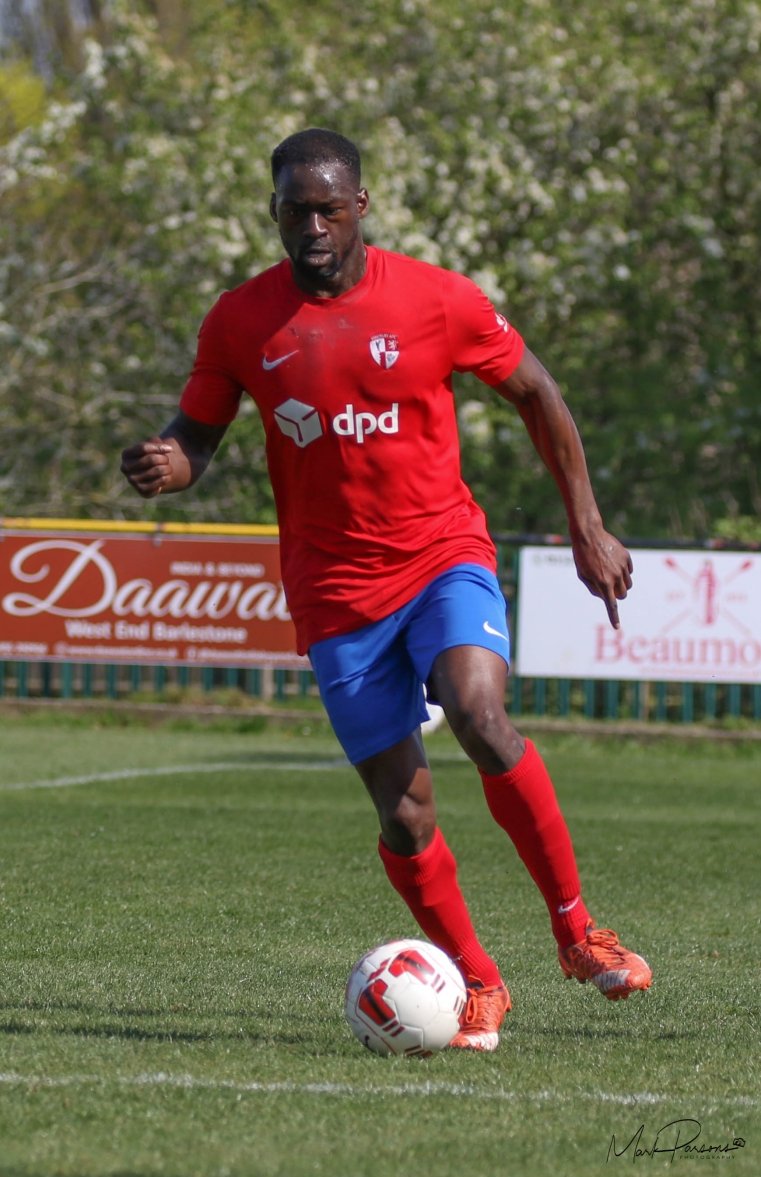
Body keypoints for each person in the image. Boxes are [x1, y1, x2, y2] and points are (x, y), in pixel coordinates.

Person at [121, 128, 652, 1052]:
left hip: (442, 553)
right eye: (295, 211)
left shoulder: (436, 299)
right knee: (404, 815)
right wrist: (172, 462)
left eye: (328, 209)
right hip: (333, 588)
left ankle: (577, 933)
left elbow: (537, 394)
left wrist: (586, 524)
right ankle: (476, 981)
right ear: (274, 212)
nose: (312, 227)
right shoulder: (240, 319)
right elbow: (197, 434)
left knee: (479, 714)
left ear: (359, 206)